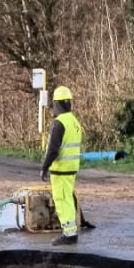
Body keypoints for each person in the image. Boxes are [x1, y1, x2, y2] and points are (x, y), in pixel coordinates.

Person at [40, 83, 84, 245]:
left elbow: (53, 149)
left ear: (57, 104)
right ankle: (71, 231)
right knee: (68, 199)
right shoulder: (74, 122)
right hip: (71, 169)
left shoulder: (59, 123)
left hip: (60, 170)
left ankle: (69, 234)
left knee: (62, 200)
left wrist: (44, 167)